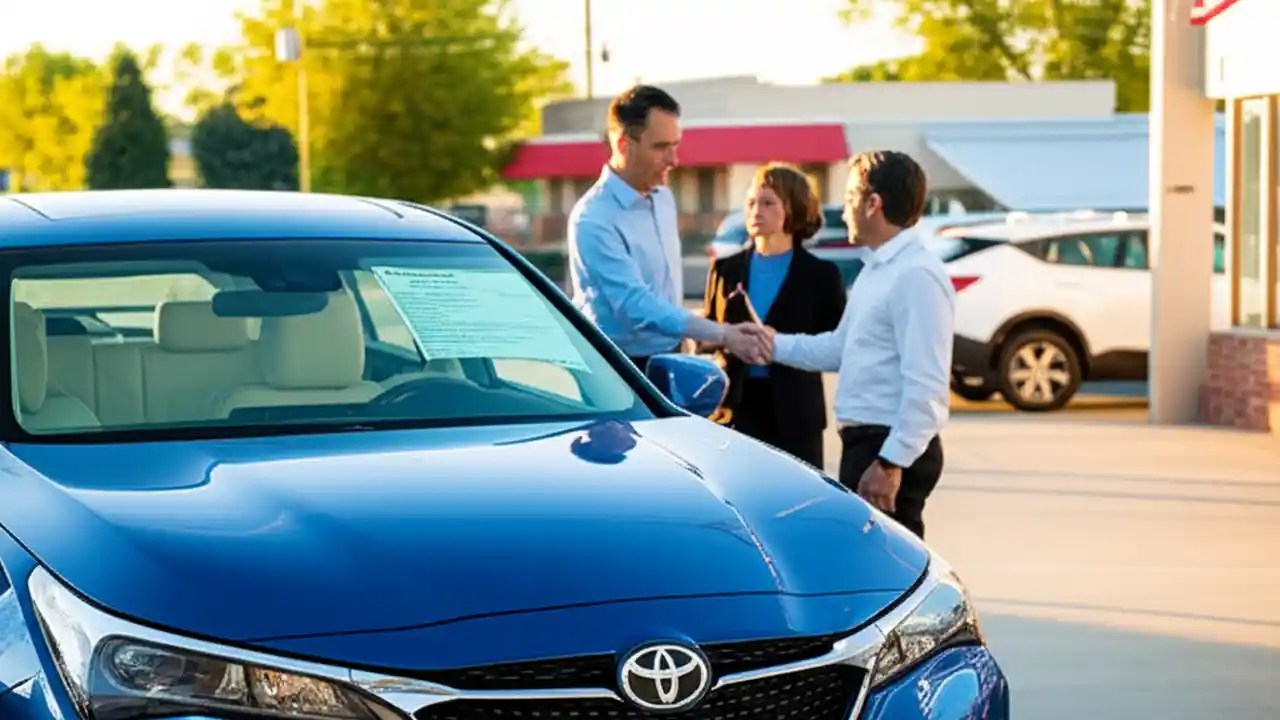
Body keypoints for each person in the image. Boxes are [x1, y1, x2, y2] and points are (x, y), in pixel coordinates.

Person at [748, 150, 955, 539]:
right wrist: (771, 345)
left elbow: (927, 386)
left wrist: (891, 463)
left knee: (889, 574)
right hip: (868, 443)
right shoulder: (878, 269)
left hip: (887, 447)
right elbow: (840, 349)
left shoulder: (916, 275)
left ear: (873, 204)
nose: (842, 213)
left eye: (848, 200)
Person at [567, 84, 766, 371]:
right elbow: (635, 305)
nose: (674, 160)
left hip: (673, 354)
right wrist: (720, 333)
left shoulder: (663, 198)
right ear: (624, 145)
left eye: (675, 145)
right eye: (661, 147)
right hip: (617, 368)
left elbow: (664, 294)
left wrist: (691, 333)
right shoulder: (593, 219)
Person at [701, 163, 846, 468]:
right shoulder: (725, 269)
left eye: (768, 203)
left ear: (793, 209)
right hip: (735, 409)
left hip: (796, 413)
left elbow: (835, 343)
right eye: (751, 202)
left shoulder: (821, 275)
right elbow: (710, 334)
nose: (756, 211)